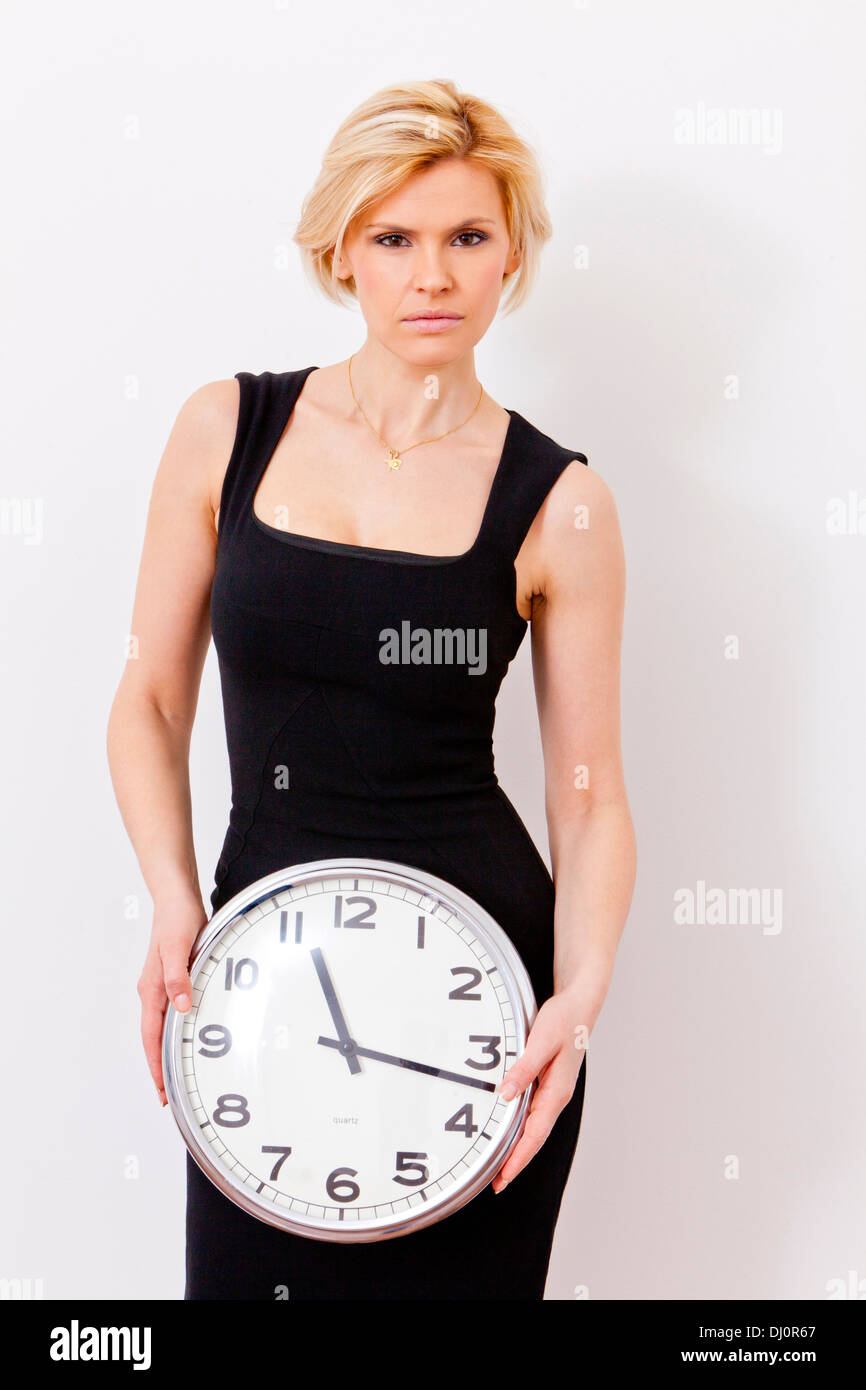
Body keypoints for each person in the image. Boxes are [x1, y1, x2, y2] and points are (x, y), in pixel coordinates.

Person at [106, 77, 636, 1300]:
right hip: (257, 978)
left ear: (512, 255)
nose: (431, 275)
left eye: (467, 237)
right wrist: (173, 897)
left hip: (478, 992)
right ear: (338, 251)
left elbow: (591, 792)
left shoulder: (561, 501)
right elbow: (145, 700)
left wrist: (579, 997)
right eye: (393, 238)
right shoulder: (225, 428)